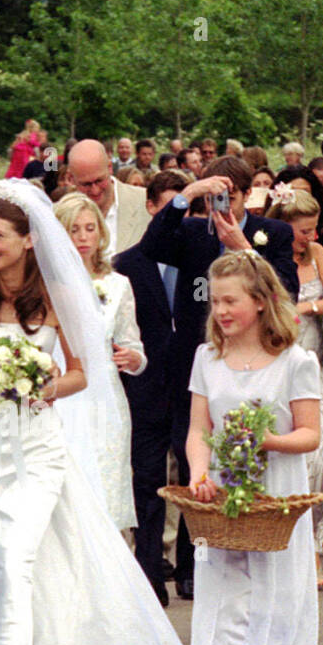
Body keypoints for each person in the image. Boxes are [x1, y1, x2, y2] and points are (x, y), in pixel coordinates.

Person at [0, 179, 200, 645]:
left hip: (37, 448)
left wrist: (38, 385)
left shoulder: (59, 294)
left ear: (30, 240)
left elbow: (82, 374)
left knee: (15, 565)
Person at [139, 157, 299, 600]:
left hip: (258, 363)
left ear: (248, 195)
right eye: (214, 196)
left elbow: (285, 292)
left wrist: (242, 245)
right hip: (200, 364)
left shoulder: (274, 233)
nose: (220, 204)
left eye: (228, 195)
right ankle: (192, 561)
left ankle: (237, 551)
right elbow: (149, 247)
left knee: (245, 458)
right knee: (195, 458)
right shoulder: (192, 231)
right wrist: (187, 195)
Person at [186, 250, 320, 645]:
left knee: (274, 607)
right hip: (221, 498)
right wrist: (200, 473)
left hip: (277, 498)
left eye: (231, 301)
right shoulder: (207, 358)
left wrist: (266, 441)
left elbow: (308, 434)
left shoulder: (295, 362)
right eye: (215, 301)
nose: (221, 311)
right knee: (223, 608)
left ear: (261, 302)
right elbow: (200, 429)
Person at [268, 188, 323, 590]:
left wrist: (306, 308)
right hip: (275, 375)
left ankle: (313, 547)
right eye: (303, 231)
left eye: (314, 229)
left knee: (316, 464)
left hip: (318, 370)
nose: (310, 237)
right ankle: (288, 548)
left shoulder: (320, 257)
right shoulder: (265, 255)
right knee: (285, 464)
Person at [114, 171, 188, 605]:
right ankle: (149, 576)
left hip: (190, 386)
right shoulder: (126, 264)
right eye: (167, 208)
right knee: (148, 483)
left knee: (195, 480)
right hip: (145, 389)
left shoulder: (197, 255)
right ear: (151, 209)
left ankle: (190, 571)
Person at [53, 191, 146, 531]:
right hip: (60, 395)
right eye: (73, 229)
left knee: (104, 494)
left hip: (105, 399)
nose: (82, 238)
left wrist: (134, 358)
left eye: (89, 228)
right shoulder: (46, 285)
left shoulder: (118, 285)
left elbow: (133, 343)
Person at [66, 139, 150, 256]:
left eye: (99, 180)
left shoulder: (146, 202)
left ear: (110, 167)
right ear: (71, 178)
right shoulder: (60, 216)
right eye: (86, 184)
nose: (95, 190)